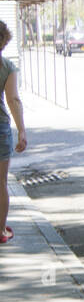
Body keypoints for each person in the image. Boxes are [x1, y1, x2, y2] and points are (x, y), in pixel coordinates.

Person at [0, 20, 28, 244]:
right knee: (1, 183)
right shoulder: (7, 67)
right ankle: (0, 231)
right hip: (0, 130)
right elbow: (13, 99)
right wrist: (21, 131)